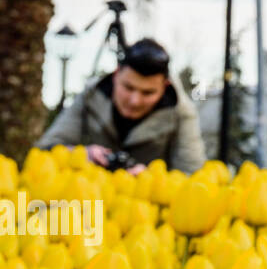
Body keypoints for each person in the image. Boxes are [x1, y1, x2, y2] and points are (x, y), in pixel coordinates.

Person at [38, 38, 204, 173]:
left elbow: (192, 173)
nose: (134, 100)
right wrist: (79, 154)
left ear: (165, 86)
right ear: (116, 75)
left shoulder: (181, 111)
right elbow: (45, 149)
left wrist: (151, 178)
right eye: (128, 87)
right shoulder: (92, 93)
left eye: (148, 93)